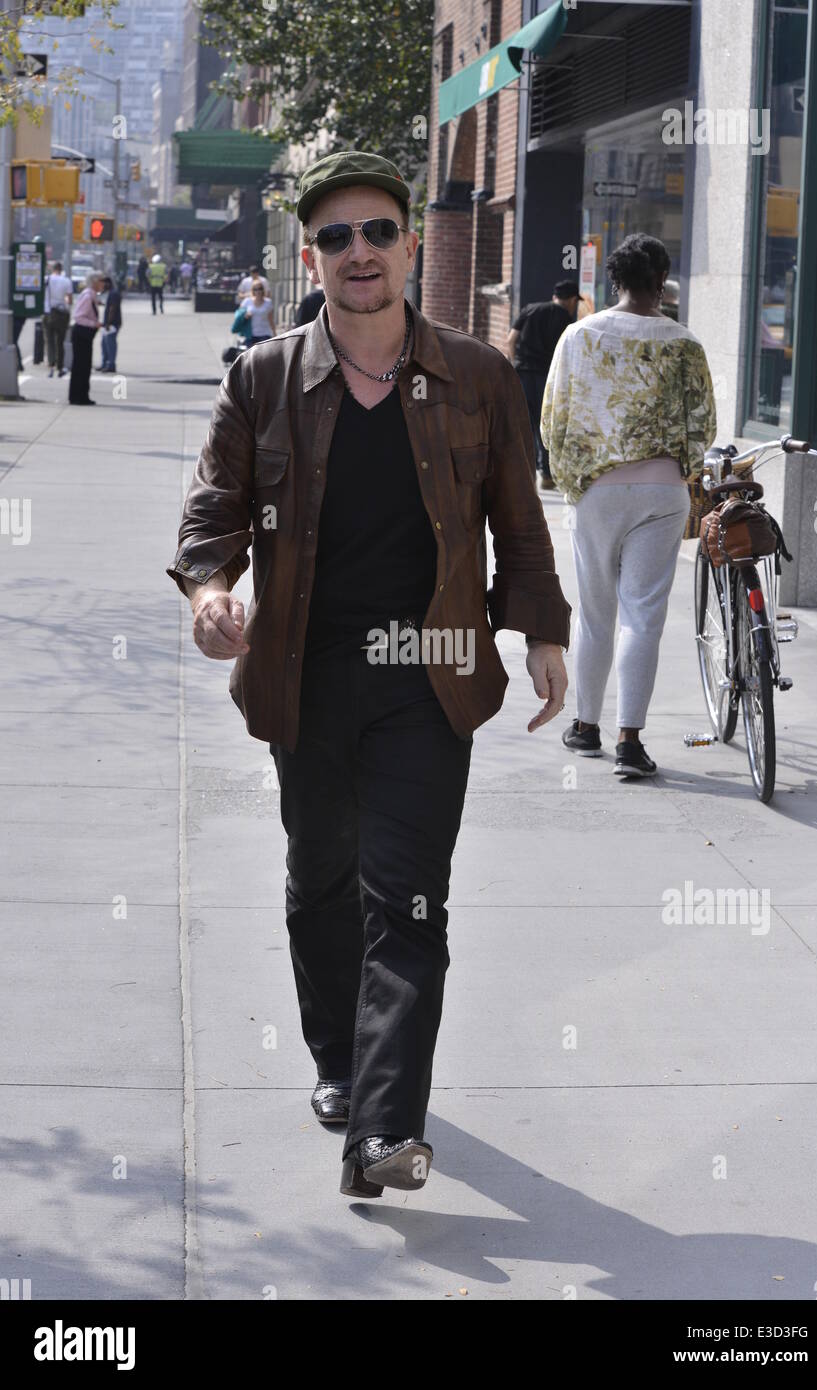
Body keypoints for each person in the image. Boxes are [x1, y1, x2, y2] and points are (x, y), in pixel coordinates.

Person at [166, 149, 571, 1200]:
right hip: (304, 669)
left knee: (410, 898)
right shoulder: (263, 376)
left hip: (429, 672)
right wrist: (211, 592)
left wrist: (540, 629)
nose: (359, 252)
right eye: (336, 237)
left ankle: (387, 1125)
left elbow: (517, 518)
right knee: (323, 881)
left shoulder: (477, 375)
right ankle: (340, 1064)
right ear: (313, 256)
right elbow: (213, 510)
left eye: (377, 232)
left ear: (409, 247)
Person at [541, 233, 716, 778]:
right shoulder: (684, 343)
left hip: (598, 488)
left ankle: (586, 727)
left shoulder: (579, 335)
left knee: (596, 613)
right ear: (662, 282)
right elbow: (702, 424)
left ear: (613, 281)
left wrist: (571, 479)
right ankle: (630, 741)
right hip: (662, 489)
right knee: (643, 615)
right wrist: (681, 468)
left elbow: (554, 416)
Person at [507, 280, 580, 492]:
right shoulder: (564, 318)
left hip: (522, 374)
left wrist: (515, 364)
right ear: (572, 300)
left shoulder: (530, 309)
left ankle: (526, 476)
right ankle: (547, 475)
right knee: (545, 425)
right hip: (546, 377)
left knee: (524, 426)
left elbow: (510, 339)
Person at [68, 272, 102, 405]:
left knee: (85, 366)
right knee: (80, 366)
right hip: (82, 333)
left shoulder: (92, 295)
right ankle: (76, 396)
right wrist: (94, 324)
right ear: (94, 282)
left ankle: (83, 395)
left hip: (86, 334)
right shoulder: (88, 296)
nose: (103, 284)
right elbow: (79, 316)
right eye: (101, 281)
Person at [42, 260, 73, 378]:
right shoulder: (66, 281)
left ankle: (50, 364)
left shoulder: (46, 279)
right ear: (61, 269)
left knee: (49, 341)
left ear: (52, 269)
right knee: (60, 341)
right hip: (61, 314)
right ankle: (59, 367)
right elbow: (69, 300)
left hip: (48, 312)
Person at [97, 275, 122, 373]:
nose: (101, 286)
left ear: (108, 283)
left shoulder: (114, 293)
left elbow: (113, 309)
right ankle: (105, 363)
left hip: (112, 324)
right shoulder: (110, 293)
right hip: (107, 324)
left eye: (103, 283)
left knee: (110, 345)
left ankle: (111, 364)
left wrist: (108, 323)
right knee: (104, 344)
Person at [238, 278, 276, 342]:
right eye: (255, 289)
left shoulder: (268, 302)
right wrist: (245, 315)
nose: (258, 291)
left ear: (263, 290)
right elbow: (239, 314)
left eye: (260, 289)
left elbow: (271, 319)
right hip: (250, 334)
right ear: (253, 291)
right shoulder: (247, 301)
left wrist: (274, 332)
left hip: (265, 334)